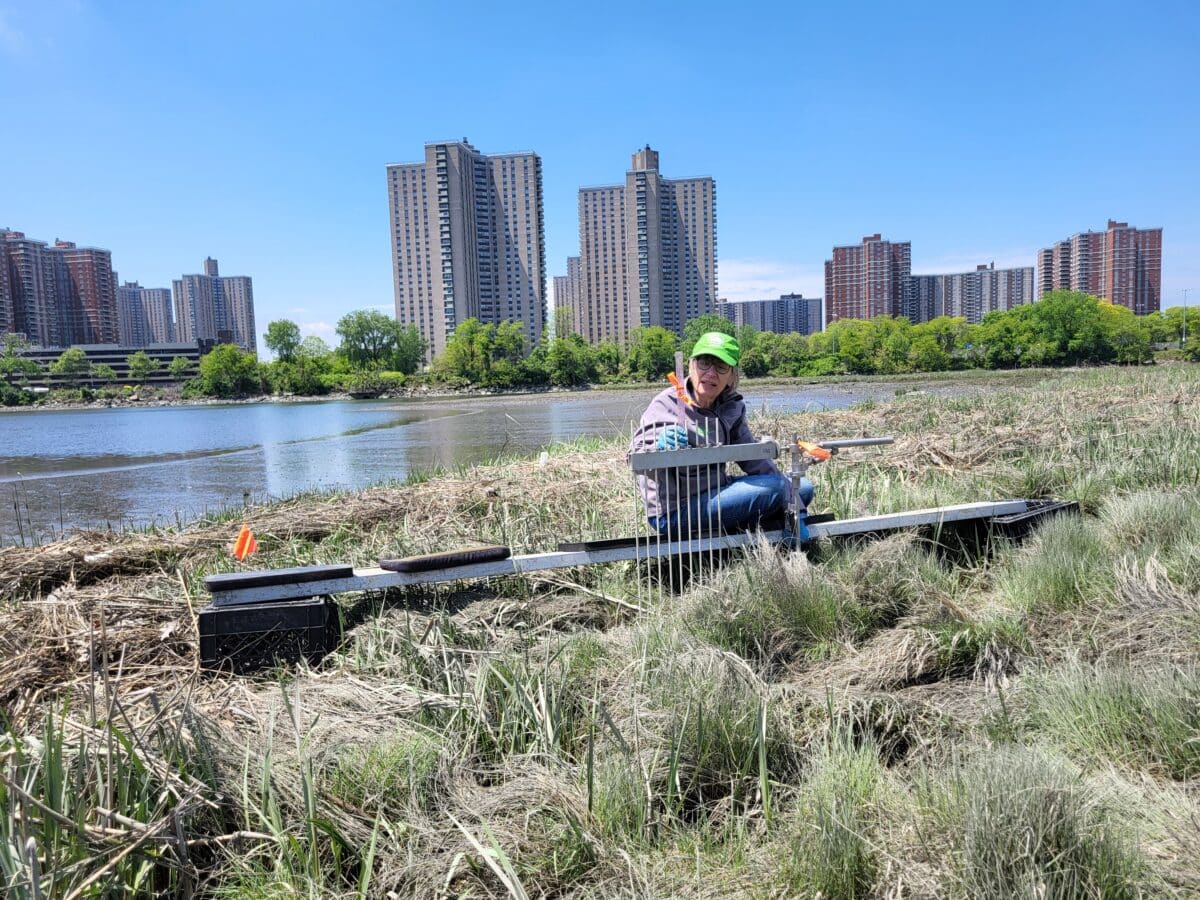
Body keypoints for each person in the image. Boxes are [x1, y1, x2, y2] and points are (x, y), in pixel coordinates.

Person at [630, 331, 814, 537]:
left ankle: (773, 522)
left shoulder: (730, 407)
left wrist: (795, 504)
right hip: (675, 512)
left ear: (731, 376)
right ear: (690, 366)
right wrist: (659, 443)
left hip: (717, 493)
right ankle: (773, 521)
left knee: (802, 488)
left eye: (721, 367)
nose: (710, 373)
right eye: (704, 363)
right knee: (781, 488)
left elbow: (754, 458)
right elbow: (637, 452)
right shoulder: (667, 403)